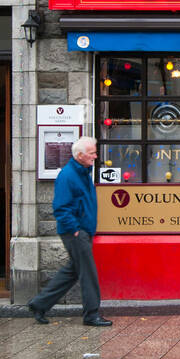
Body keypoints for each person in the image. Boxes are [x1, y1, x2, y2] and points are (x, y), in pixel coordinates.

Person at [28, 135, 112, 327]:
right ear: (80, 155)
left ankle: (39, 304)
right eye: (92, 153)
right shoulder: (68, 175)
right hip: (76, 232)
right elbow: (60, 206)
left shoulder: (82, 172)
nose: (95, 156)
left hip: (82, 231)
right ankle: (91, 314)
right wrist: (75, 230)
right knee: (88, 272)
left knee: (73, 271)